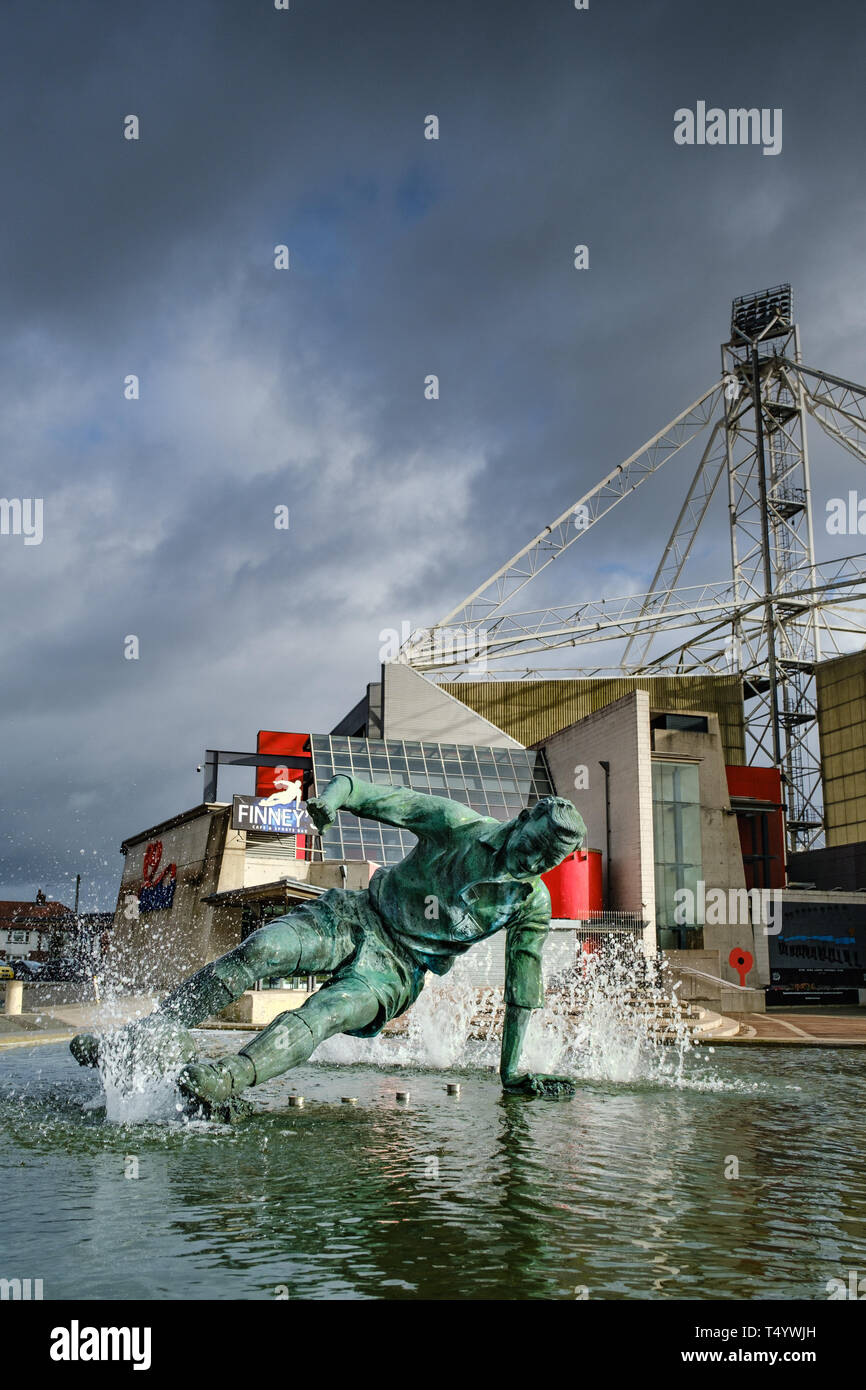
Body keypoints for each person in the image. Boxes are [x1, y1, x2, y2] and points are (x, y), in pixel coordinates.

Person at [71, 775, 586, 1112]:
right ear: (521, 823)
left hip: (397, 972)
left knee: (328, 1013)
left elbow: (522, 991)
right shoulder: (458, 827)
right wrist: (333, 799)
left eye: (548, 861)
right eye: (533, 846)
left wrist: (512, 1072)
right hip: (355, 913)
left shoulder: (529, 904)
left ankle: (224, 1080)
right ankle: (148, 1034)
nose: (534, 862)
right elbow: (373, 794)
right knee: (261, 951)